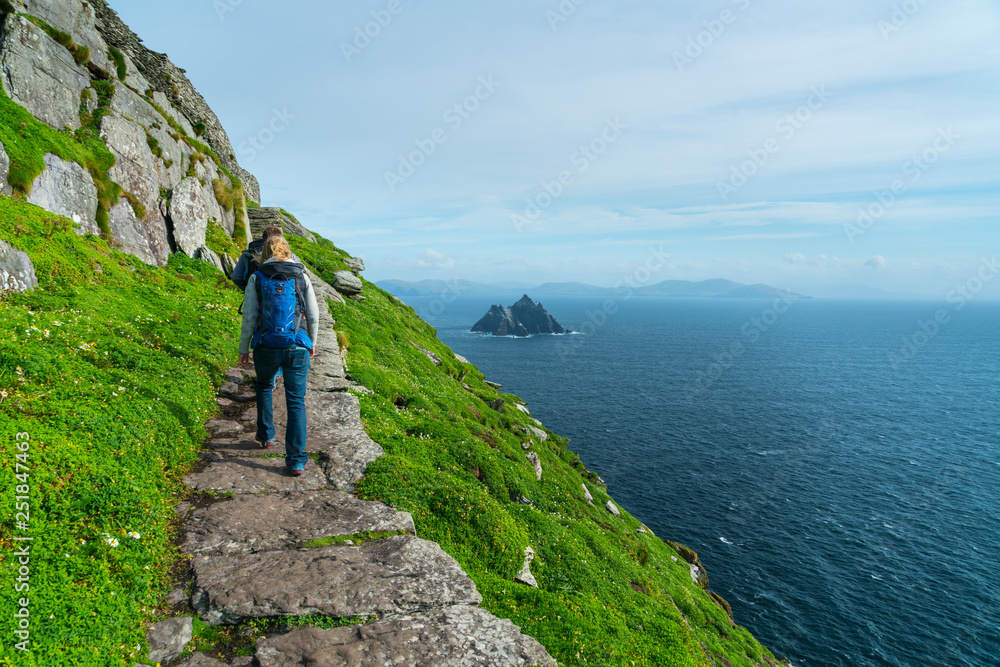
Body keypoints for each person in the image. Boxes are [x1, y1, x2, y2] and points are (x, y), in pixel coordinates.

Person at [237, 236, 319, 476]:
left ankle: (266, 435)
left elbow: (250, 317)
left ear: (264, 253)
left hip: (266, 344)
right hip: (297, 346)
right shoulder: (302, 277)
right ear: (288, 252)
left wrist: (244, 348)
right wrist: (311, 343)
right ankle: (295, 460)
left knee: (263, 386)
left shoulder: (257, 277)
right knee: (296, 401)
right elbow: (313, 316)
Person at [230, 225, 301, 290]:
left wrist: (249, 288)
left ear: (263, 237)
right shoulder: (288, 255)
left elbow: (236, 277)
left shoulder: (248, 253)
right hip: (286, 296)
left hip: (257, 295)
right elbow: (299, 275)